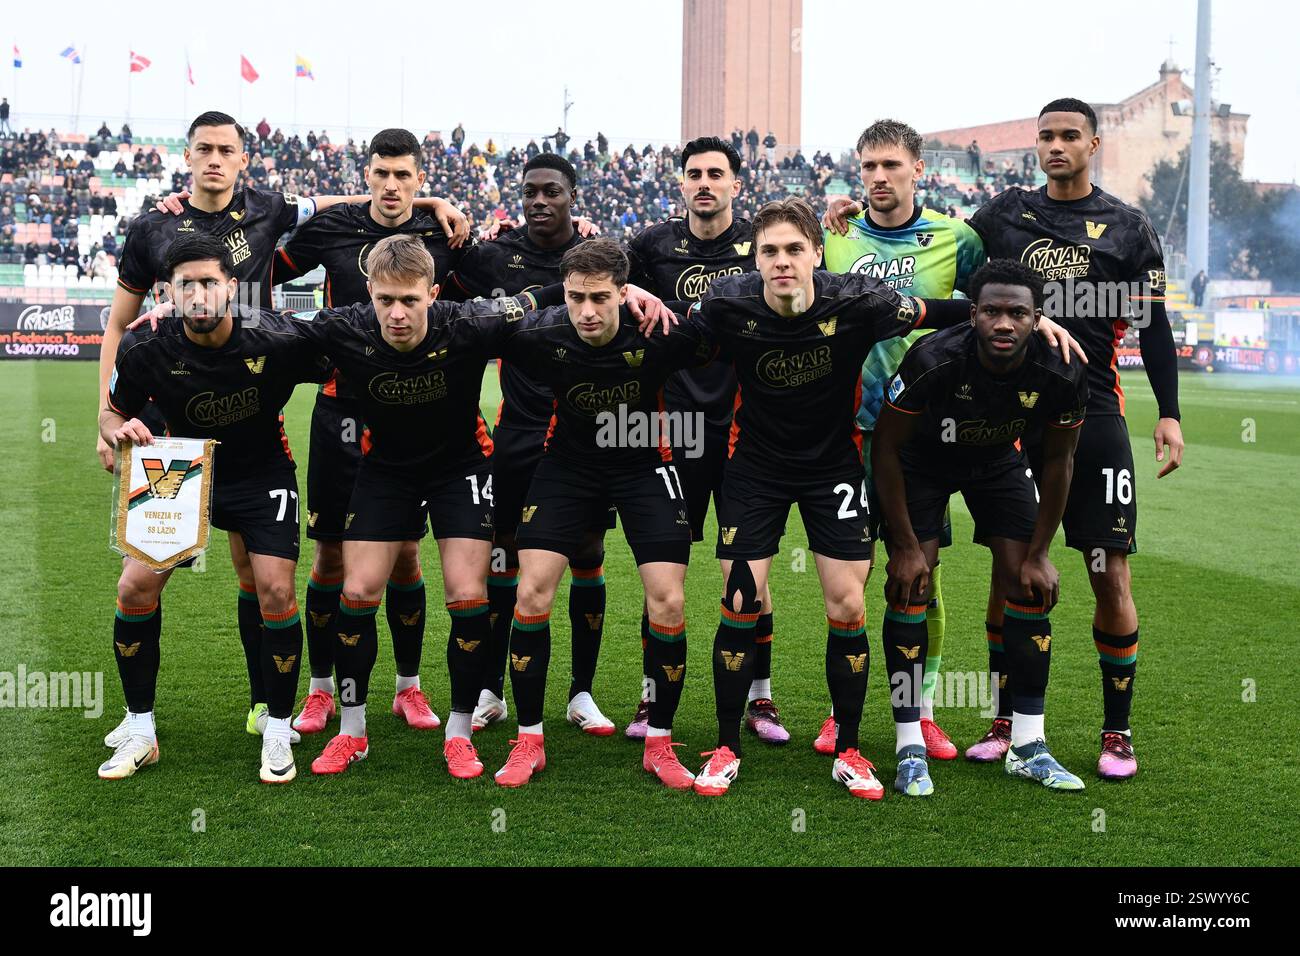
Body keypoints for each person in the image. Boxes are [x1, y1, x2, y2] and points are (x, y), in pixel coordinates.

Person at [965, 97, 1183, 779]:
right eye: (1045, 137)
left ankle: (1116, 732)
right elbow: (942, 250)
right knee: (1011, 566)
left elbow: (1154, 329)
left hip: (1094, 415)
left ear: (1093, 143)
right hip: (1011, 417)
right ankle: (1008, 719)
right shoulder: (1003, 213)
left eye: (1068, 136)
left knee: (1107, 571)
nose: (1055, 146)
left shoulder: (1129, 229)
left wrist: (1169, 414)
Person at [98, 233, 331, 783]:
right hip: (177, 467)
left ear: (230, 287)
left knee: (274, 587)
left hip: (261, 469)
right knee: (135, 586)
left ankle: (276, 727)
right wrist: (119, 431)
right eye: (186, 285)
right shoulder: (142, 344)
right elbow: (110, 415)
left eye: (208, 282)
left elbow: (344, 364)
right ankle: (140, 728)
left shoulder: (275, 337)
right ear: (168, 291)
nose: (198, 295)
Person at [272, 128, 473, 737]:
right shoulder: (332, 229)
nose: (391, 186)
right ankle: (320, 690)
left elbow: (498, 280)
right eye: (381, 174)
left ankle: (408, 689)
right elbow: (263, 269)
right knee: (330, 555)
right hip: (341, 411)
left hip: (412, 415)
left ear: (420, 178)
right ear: (366, 175)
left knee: (407, 555)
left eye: (403, 176)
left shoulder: (445, 233)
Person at [489, 239, 706, 790]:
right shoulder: (543, 333)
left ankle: (660, 743)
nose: (587, 311)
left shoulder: (660, 332)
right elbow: (477, 323)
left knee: (669, 598)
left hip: (643, 463)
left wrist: (649, 295)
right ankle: (529, 740)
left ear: (622, 293)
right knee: (531, 592)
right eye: (575, 297)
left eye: (601, 298)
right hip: (567, 465)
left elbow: (729, 325)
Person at [873, 259, 1089, 794]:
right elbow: (886, 449)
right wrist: (903, 545)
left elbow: (1059, 464)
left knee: (1028, 586)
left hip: (996, 461)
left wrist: (1040, 552)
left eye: (1018, 313)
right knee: (910, 587)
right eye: (991, 311)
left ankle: (1028, 744)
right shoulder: (933, 358)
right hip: (921, 465)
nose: (1003, 323)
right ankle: (908, 745)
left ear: (1037, 319)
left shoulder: (1060, 369)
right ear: (972, 315)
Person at [819, 119, 986, 761]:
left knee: (922, 574)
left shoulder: (956, 238)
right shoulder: (834, 234)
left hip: (923, 438)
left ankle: (923, 712)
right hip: (847, 434)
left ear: (919, 168)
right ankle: (845, 711)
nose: (878, 178)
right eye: (868, 167)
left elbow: (992, 307)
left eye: (891, 165)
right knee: (849, 578)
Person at [622, 136, 791, 745]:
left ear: (735, 183)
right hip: (673, 430)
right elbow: (594, 276)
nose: (704, 183)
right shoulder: (650, 247)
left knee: (748, 573)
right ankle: (649, 699)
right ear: (680, 182)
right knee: (665, 571)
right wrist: (628, 289)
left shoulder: (761, 244)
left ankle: (760, 700)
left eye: (716, 174)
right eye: (693, 174)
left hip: (748, 433)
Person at [443, 154, 615, 736]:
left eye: (553, 192)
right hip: (517, 432)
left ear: (574, 196)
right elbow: (442, 298)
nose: (540, 201)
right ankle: (491, 687)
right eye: (530, 192)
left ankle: (582, 693)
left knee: (587, 552)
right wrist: (444, 210)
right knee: (504, 552)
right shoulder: (493, 255)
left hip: (586, 435)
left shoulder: (597, 258)